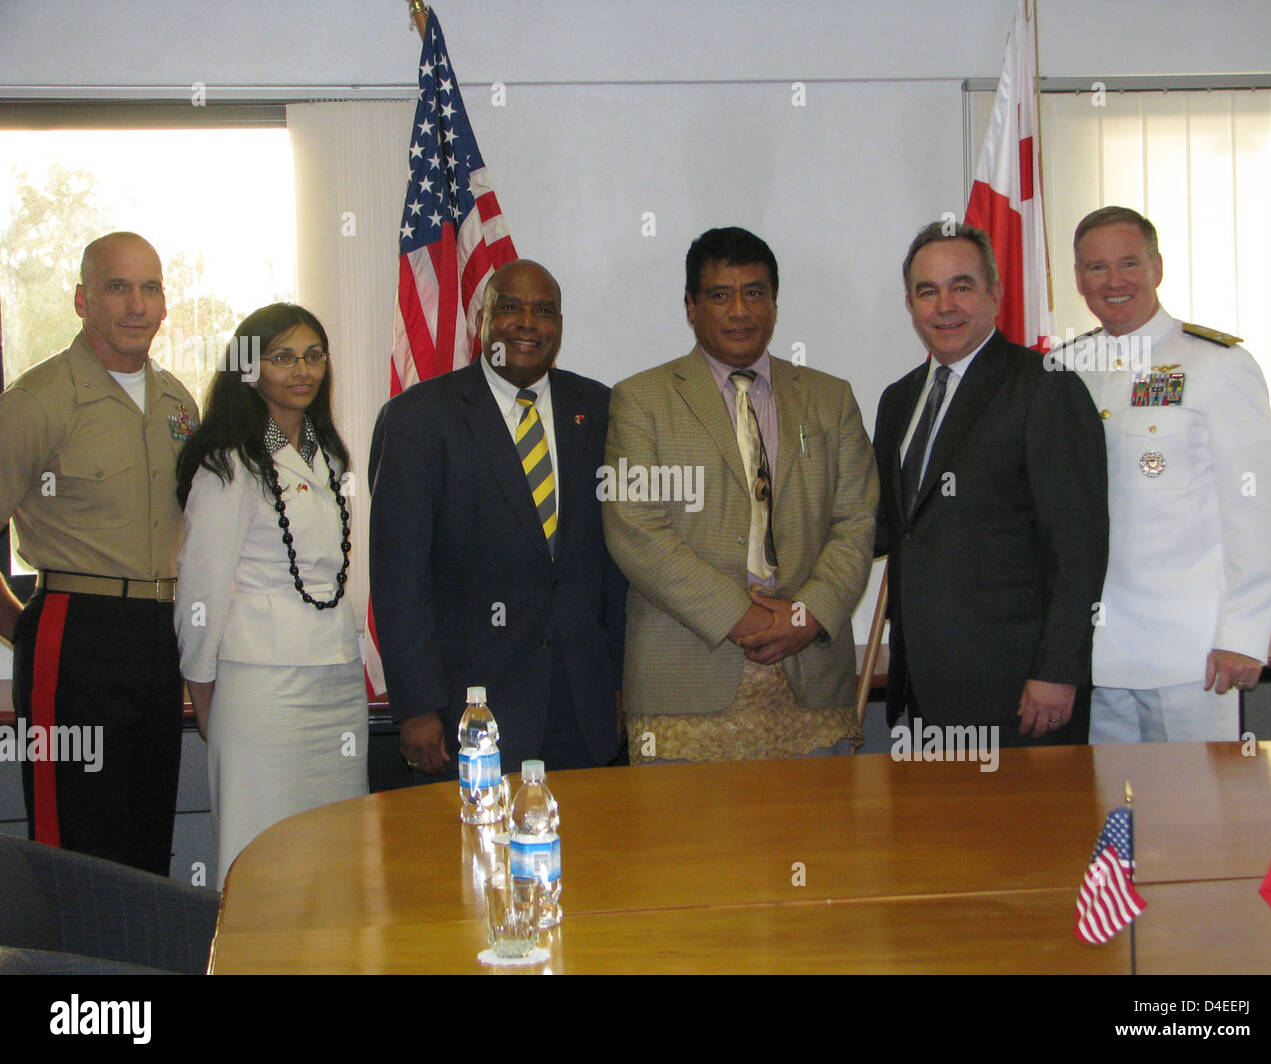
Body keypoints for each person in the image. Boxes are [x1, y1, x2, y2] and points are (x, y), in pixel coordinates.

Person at [603, 227, 877, 763]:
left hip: (811, 684)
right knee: (684, 849)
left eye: (754, 293)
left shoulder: (830, 398)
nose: (739, 311)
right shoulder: (641, 400)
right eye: (719, 295)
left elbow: (857, 522)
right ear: (690, 306)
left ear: (774, 302)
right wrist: (739, 615)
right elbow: (635, 530)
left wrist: (804, 616)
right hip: (682, 688)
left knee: (817, 843)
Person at [369, 260, 625, 778]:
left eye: (545, 311)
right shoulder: (419, 418)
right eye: (511, 307)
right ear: (481, 319)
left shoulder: (601, 409)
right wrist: (417, 707)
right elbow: (400, 577)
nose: (528, 323)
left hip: (583, 706)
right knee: (478, 857)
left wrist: (622, 683)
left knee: (592, 853)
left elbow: (617, 565)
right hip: (471, 712)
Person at [0, 231, 197, 875]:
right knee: (75, 846)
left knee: (147, 839)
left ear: (165, 304)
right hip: (73, 631)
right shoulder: (37, 401)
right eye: (117, 287)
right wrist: (23, 626)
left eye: (150, 288)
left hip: (159, 636)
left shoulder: (179, 405)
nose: (136, 305)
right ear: (83, 300)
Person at [872, 221, 1107, 746]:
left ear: (995, 294)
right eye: (927, 291)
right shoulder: (899, 400)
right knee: (941, 830)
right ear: (910, 305)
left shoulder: (1046, 386)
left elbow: (1078, 548)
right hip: (927, 685)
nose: (944, 305)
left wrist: (1057, 670)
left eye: (962, 286)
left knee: (1029, 830)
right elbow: (886, 527)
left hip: (1022, 691)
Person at [1066, 206, 1271, 743]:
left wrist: (1243, 633)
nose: (1114, 281)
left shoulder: (1216, 364)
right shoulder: (1066, 368)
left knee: (1195, 817)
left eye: (1129, 263)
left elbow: (1257, 508)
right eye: (1097, 268)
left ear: (1158, 266)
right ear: (1079, 278)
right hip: (1093, 655)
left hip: (1190, 656)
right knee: (1108, 816)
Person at [174, 303, 367, 886]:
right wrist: (202, 689)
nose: (302, 370)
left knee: (338, 854)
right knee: (261, 857)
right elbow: (199, 593)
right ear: (248, 369)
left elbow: (330, 576)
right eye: (282, 357)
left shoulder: (330, 455)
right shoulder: (226, 463)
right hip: (260, 687)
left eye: (313, 355)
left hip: (335, 680)